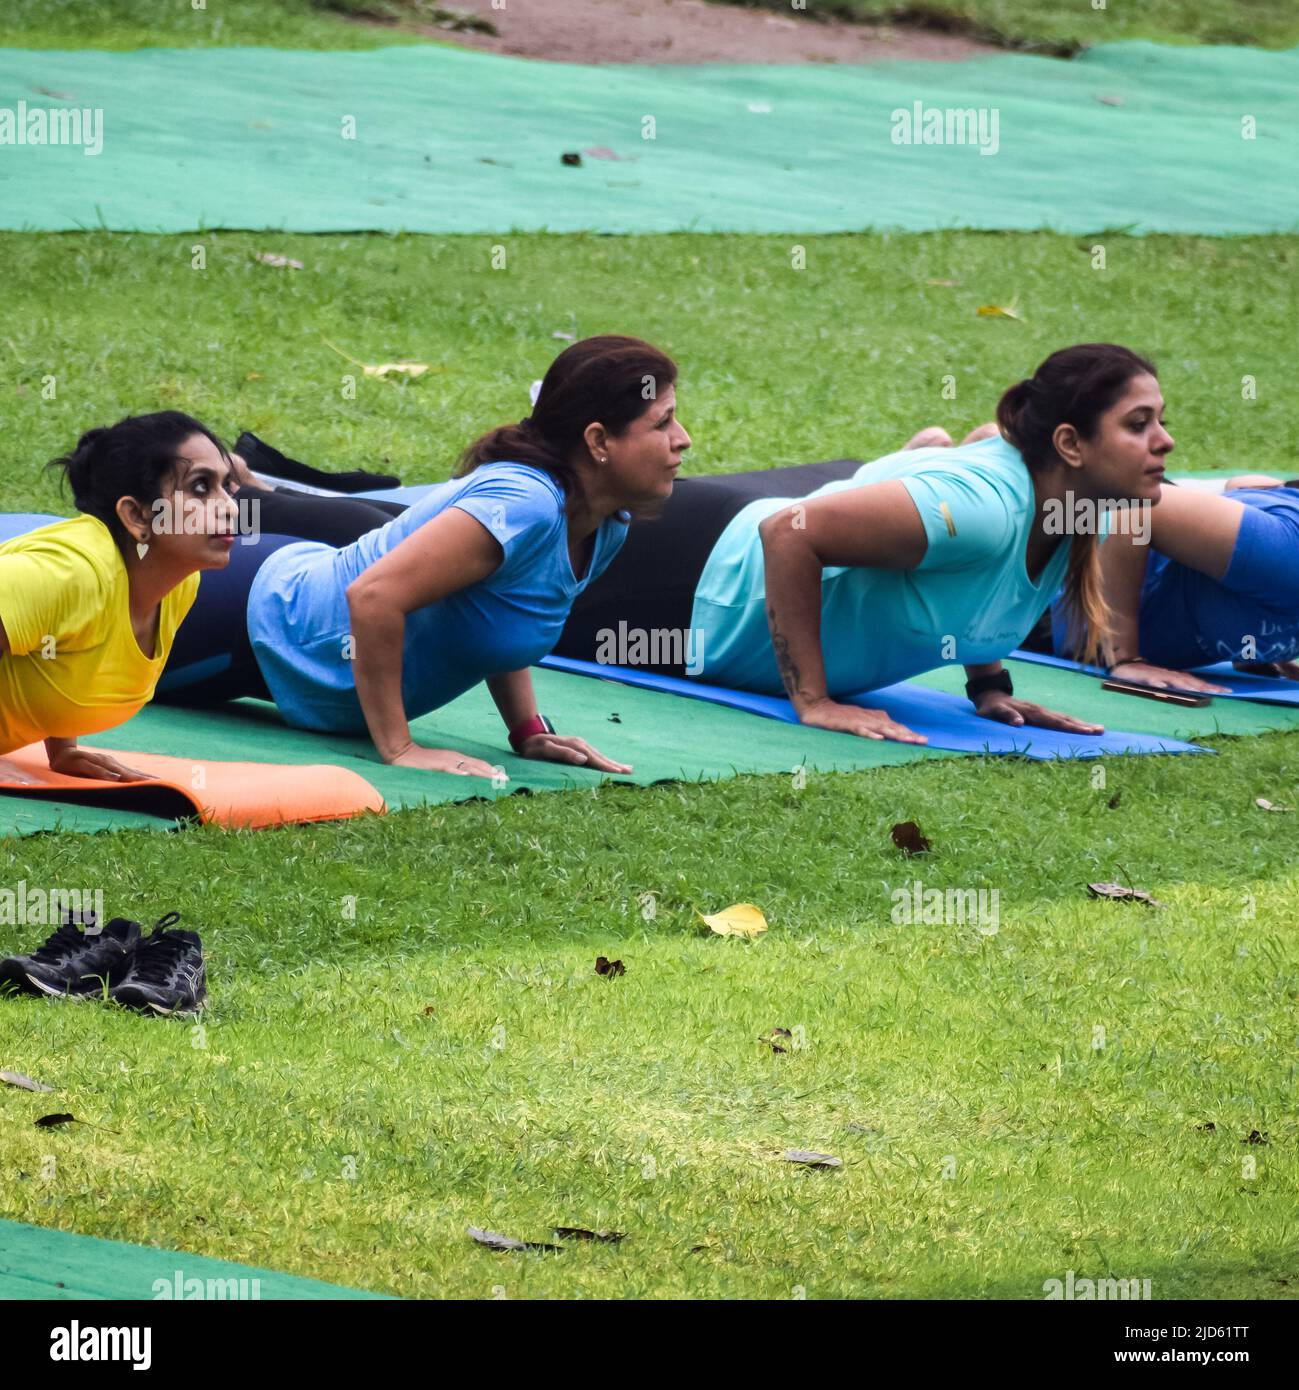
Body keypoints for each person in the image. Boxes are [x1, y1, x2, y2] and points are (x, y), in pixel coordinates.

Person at [555, 343, 1175, 744]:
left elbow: (976, 586)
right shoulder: (987, 510)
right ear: (1069, 445)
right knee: (512, 590)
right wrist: (815, 701)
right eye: (1138, 424)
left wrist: (991, 688)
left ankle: (911, 466)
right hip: (692, 580)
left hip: (750, 536)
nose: (1165, 442)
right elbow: (788, 534)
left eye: (1161, 421)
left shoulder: (1068, 506)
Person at [157, 335, 691, 780]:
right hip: (238, 619)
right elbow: (373, 595)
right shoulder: (525, 505)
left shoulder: (605, 523)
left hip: (270, 614)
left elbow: (507, 607)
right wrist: (400, 749)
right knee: (86, 662)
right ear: (598, 440)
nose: (682, 440)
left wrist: (529, 730)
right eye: (662, 423)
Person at [0, 412, 238, 785]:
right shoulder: (69, 572)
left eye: (228, 487)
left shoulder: (178, 585)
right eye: (201, 488)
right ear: (137, 515)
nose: (231, 507)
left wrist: (63, 750)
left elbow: (64, 648)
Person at [1050, 476, 1299, 690]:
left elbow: (1244, 485)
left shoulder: (1276, 557)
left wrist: (1254, 645)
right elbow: (1133, 509)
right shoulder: (1285, 554)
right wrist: (1123, 658)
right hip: (1058, 583)